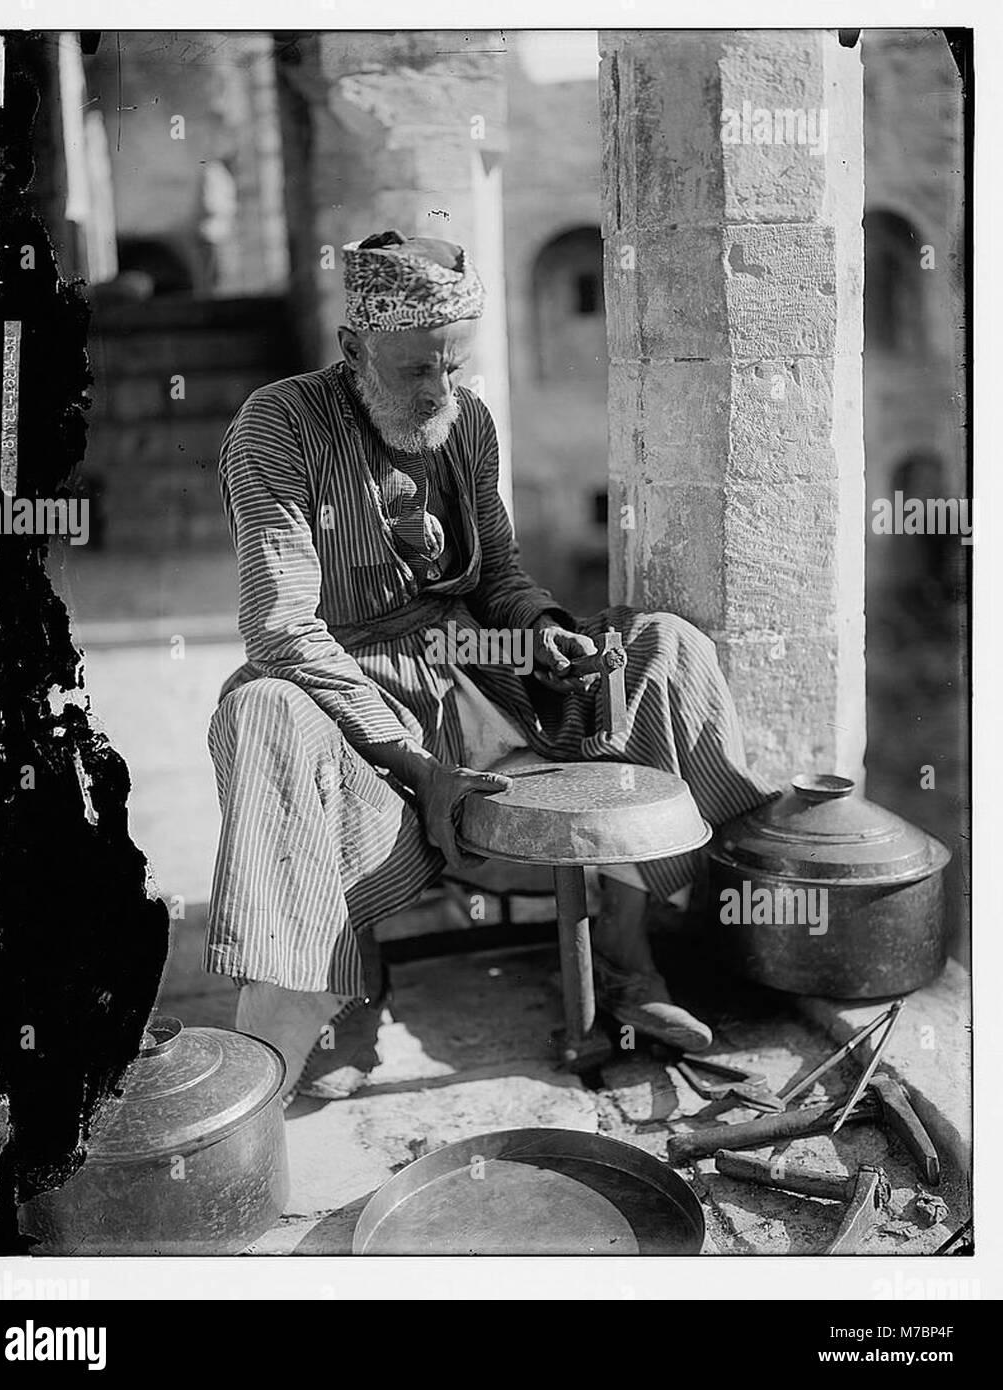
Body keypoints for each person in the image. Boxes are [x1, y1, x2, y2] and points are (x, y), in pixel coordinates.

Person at [206, 229, 775, 1098]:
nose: (440, 390)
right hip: (355, 685)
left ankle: (627, 961)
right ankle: (343, 988)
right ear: (353, 349)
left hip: (479, 664)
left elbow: (499, 574)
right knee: (263, 714)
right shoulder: (278, 427)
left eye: (453, 368)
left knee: (665, 648)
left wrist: (544, 628)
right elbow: (280, 627)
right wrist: (414, 765)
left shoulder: (466, 422)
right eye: (415, 372)